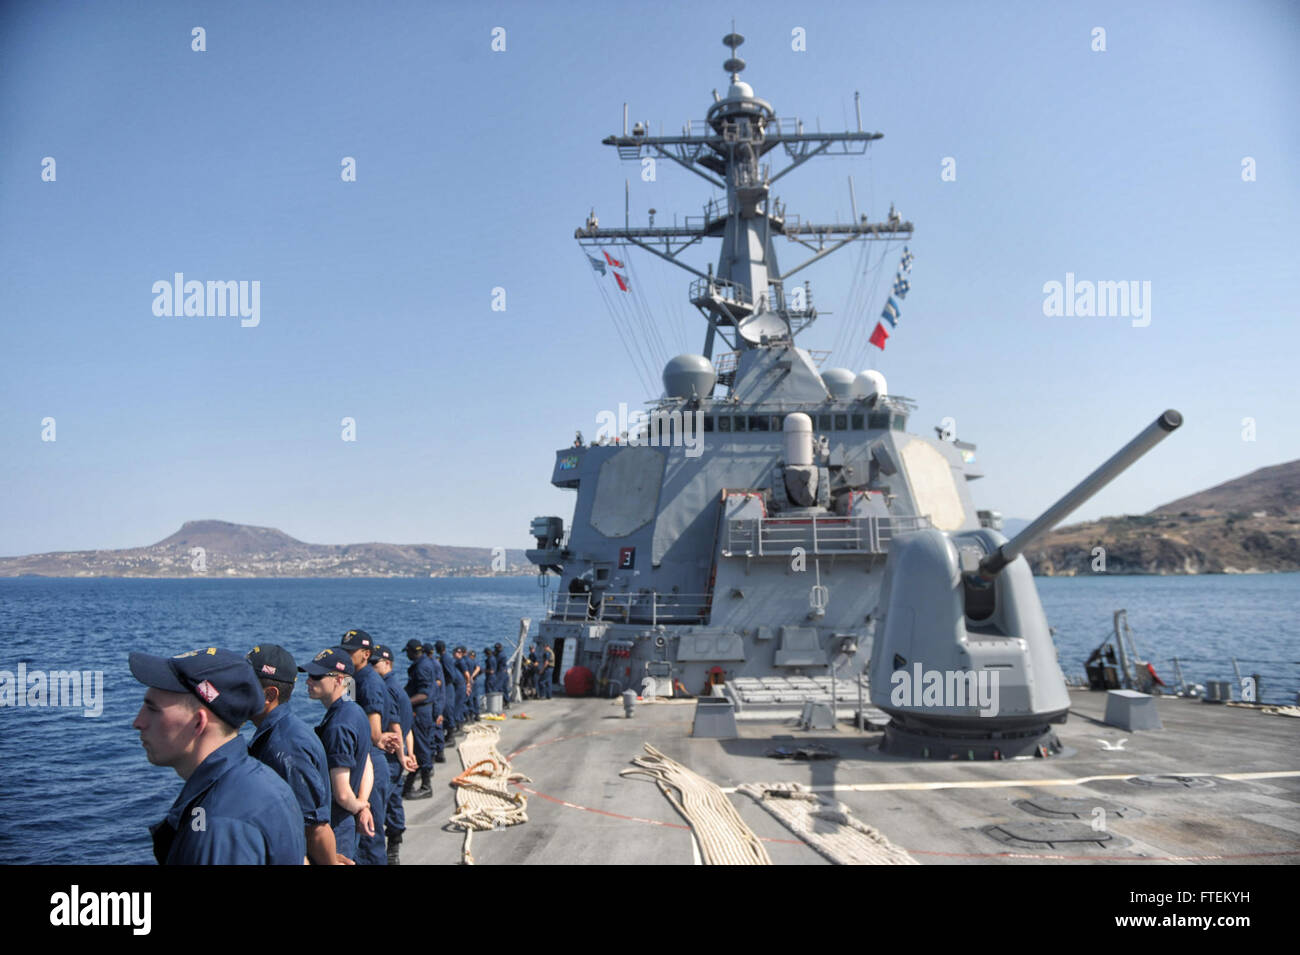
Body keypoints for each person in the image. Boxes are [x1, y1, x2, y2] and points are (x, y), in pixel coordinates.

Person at [131, 646, 305, 865]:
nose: (137, 722)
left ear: (197, 723)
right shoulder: (261, 780)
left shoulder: (218, 825)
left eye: (153, 709)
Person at [246, 644, 352, 865]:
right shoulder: (280, 733)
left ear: (269, 694)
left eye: (244, 684)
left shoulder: (285, 748)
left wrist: (329, 863)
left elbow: (315, 828)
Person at [303, 646, 376, 862]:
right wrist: (363, 804)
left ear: (338, 679)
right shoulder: (355, 711)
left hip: (336, 825)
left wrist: (357, 806)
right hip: (348, 818)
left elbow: (342, 794)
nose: (308, 681)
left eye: (316, 676)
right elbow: (366, 763)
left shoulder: (338, 726)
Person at [339, 628, 397, 865]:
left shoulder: (368, 682)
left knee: (369, 835)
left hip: (369, 760)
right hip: (359, 759)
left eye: (350, 652)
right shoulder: (353, 679)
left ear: (366, 654)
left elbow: (374, 734)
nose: (346, 655)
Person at [372, 644, 417, 865]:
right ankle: (394, 848)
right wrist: (410, 753)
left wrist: (401, 757)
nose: (370, 666)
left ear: (387, 663)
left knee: (384, 806)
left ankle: (390, 852)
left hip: (390, 758)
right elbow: (408, 729)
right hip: (398, 756)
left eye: (374, 662)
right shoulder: (398, 688)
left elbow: (397, 728)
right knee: (393, 802)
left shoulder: (387, 690)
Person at [403, 639, 438, 797]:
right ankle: (413, 781)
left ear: (412, 652)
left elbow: (424, 693)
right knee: (420, 746)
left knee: (421, 747)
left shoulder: (422, 667)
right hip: (422, 711)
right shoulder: (424, 663)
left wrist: (404, 702)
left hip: (421, 712)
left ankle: (426, 786)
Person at [422, 642, 448, 760]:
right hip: (438, 698)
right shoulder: (436, 663)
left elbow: (437, 684)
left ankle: (436, 753)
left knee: (434, 726)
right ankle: (438, 751)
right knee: (436, 727)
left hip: (435, 700)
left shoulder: (431, 665)